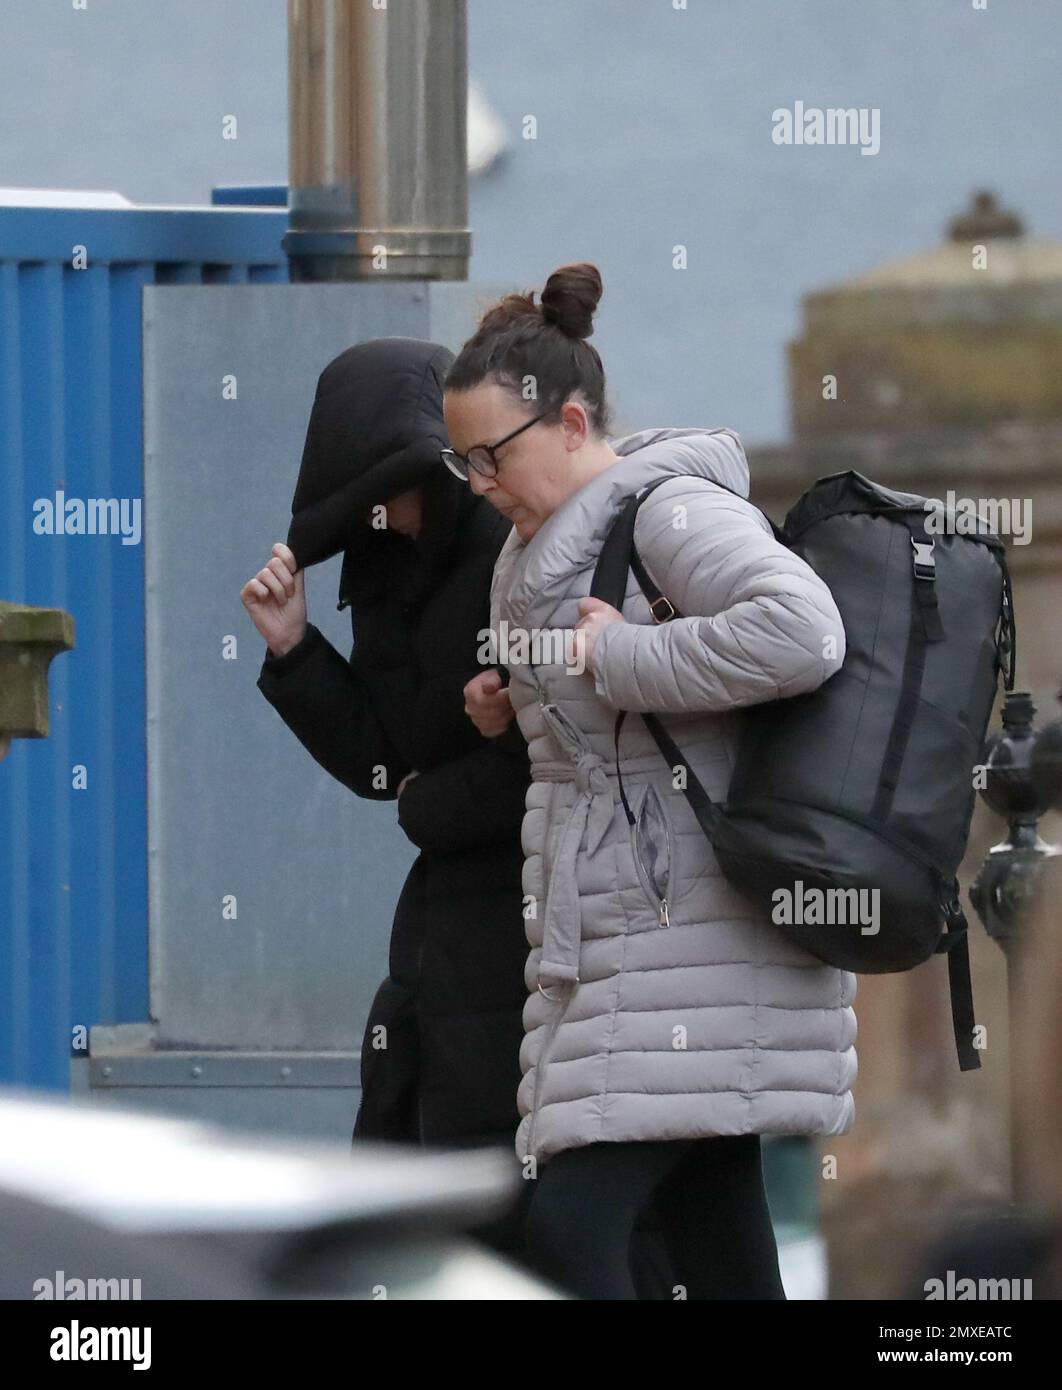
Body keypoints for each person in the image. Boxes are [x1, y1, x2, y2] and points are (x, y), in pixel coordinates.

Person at [450, 263, 857, 1299]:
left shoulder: (663, 510)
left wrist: (618, 657)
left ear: (572, 422)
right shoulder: (537, 545)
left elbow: (804, 632)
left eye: (492, 454)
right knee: (716, 1237)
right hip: (623, 938)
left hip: (691, 933)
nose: (480, 482)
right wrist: (512, 713)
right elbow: (607, 741)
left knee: (571, 1225)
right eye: (462, 464)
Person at [241, 337, 531, 1259]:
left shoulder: (510, 553)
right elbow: (381, 761)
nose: (383, 519)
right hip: (442, 919)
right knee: (407, 1130)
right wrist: (295, 652)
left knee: (486, 1178)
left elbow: (537, 765)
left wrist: (422, 803)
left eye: (391, 494)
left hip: (526, 908)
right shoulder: (381, 563)